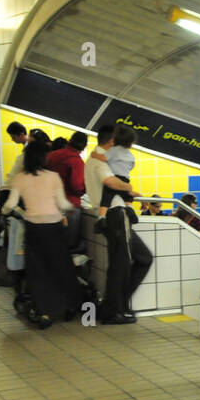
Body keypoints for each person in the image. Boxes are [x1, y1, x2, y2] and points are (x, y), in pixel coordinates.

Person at [1, 140, 81, 328]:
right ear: (43, 157)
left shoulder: (20, 178)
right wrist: (73, 208)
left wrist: (4, 212)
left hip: (34, 230)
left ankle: (45, 313)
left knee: (38, 271)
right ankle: (70, 306)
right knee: (62, 267)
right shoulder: (53, 177)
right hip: (54, 228)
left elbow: (11, 204)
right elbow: (62, 203)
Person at [87, 125, 148, 324]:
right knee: (119, 265)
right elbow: (112, 183)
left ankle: (117, 304)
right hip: (116, 213)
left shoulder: (94, 159)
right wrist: (129, 187)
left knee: (141, 258)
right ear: (112, 140)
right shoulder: (102, 162)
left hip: (115, 213)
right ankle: (112, 311)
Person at [46, 131, 88, 253]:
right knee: (68, 243)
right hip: (69, 204)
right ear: (84, 147)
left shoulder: (51, 155)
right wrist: (84, 189)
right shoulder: (76, 161)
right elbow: (77, 186)